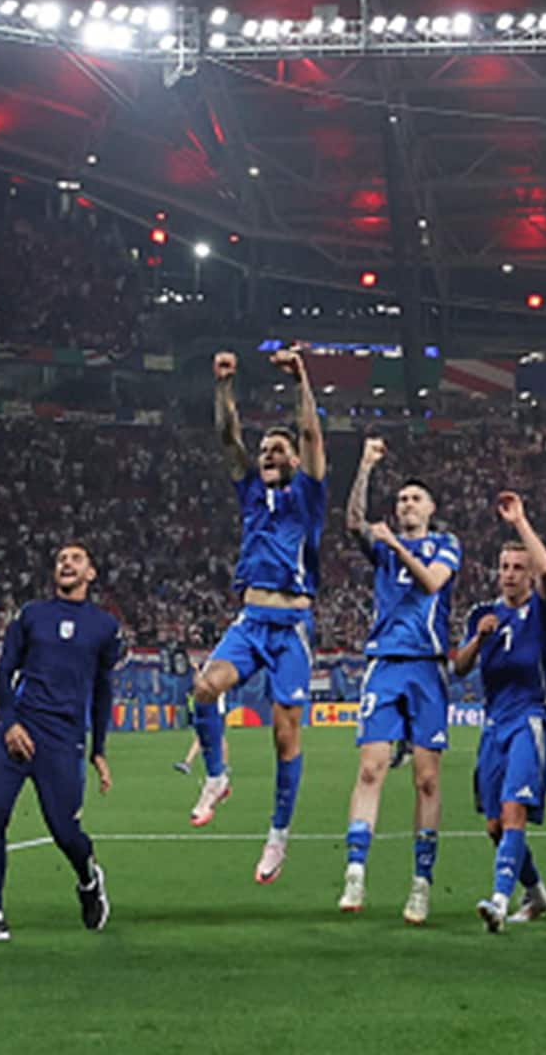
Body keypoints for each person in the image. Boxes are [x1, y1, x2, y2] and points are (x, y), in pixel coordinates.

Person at [186, 349, 327, 885]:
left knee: (285, 738)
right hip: (250, 620)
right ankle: (217, 776)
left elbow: (311, 434)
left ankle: (278, 837)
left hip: (291, 627)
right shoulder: (250, 492)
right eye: (264, 449)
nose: (267, 454)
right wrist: (224, 386)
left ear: (293, 460)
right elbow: (228, 438)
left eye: (277, 449)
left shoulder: (308, 495)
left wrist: (302, 379)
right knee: (205, 687)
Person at [0, 544, 122, 946]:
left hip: (63, 738)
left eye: (76, 559)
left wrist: (99, 750)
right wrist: (10, 723)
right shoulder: (32, 614)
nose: (66, 563)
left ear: (91, 573)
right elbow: (3, 673)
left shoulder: (104, 627)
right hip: (20, 728)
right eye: (61, 559)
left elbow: (103, 690)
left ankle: (88, 879)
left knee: (64, 830)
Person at [336, 437, 461, 923]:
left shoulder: (445, 545)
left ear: (430, 509)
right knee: (371, 769)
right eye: (402, 498)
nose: (407, 503)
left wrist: (393, 545)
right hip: (385, 663)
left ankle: (421, 882)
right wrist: (365, 466)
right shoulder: (383, 547)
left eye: (415, 498)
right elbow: (352, 523)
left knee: (426, 778)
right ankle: (355, 871)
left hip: (427, 666)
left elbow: (431, 582)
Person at [455, 494, 546, 933]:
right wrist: (479, 640)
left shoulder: (540, 612)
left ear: (528, 574)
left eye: (519, 567)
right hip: (494, 723)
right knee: (495, 826)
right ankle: (535, 892)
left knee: (514, 809)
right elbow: (459, 668)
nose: (510, 574)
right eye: (505, 567)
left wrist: (520, 521)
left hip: (530, 717)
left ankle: (499, 900)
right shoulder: (483, 615)